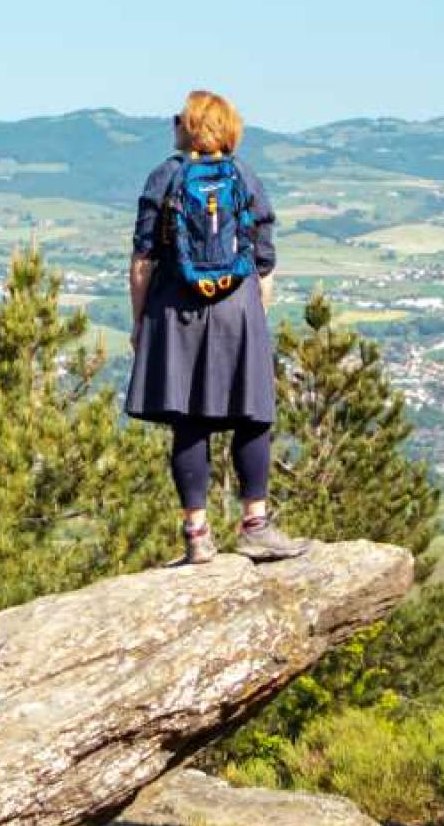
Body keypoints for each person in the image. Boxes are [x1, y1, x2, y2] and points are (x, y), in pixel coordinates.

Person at [126, 89, 309, 565]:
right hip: (238, 308)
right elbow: (264, 259)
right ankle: (255, 525)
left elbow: (143, 259)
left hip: (175, 310)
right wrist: (254, 316)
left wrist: (139, 322)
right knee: (252, 416)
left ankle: (197, 535)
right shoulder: (244, 175)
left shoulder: (165, 176)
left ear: (189, 126)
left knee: (188, 422)